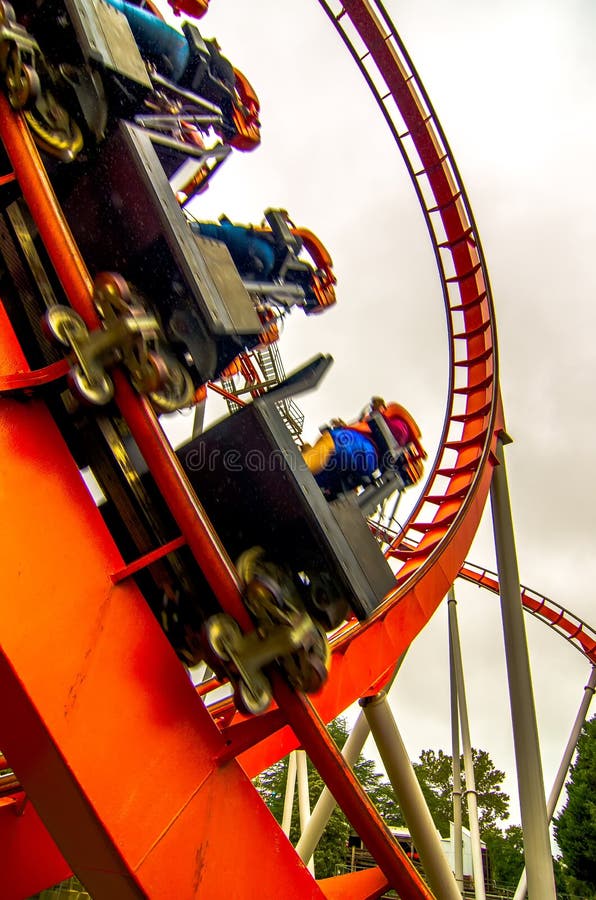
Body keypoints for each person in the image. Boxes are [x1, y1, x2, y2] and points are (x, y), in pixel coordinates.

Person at [302, 397, 426, 499]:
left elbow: (395, 435)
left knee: (330, 441)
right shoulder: (376, 425)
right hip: (360, 454)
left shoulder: (402, 426)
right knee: (321, 472)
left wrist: (379, 411)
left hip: (365, 451)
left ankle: (299, 467)